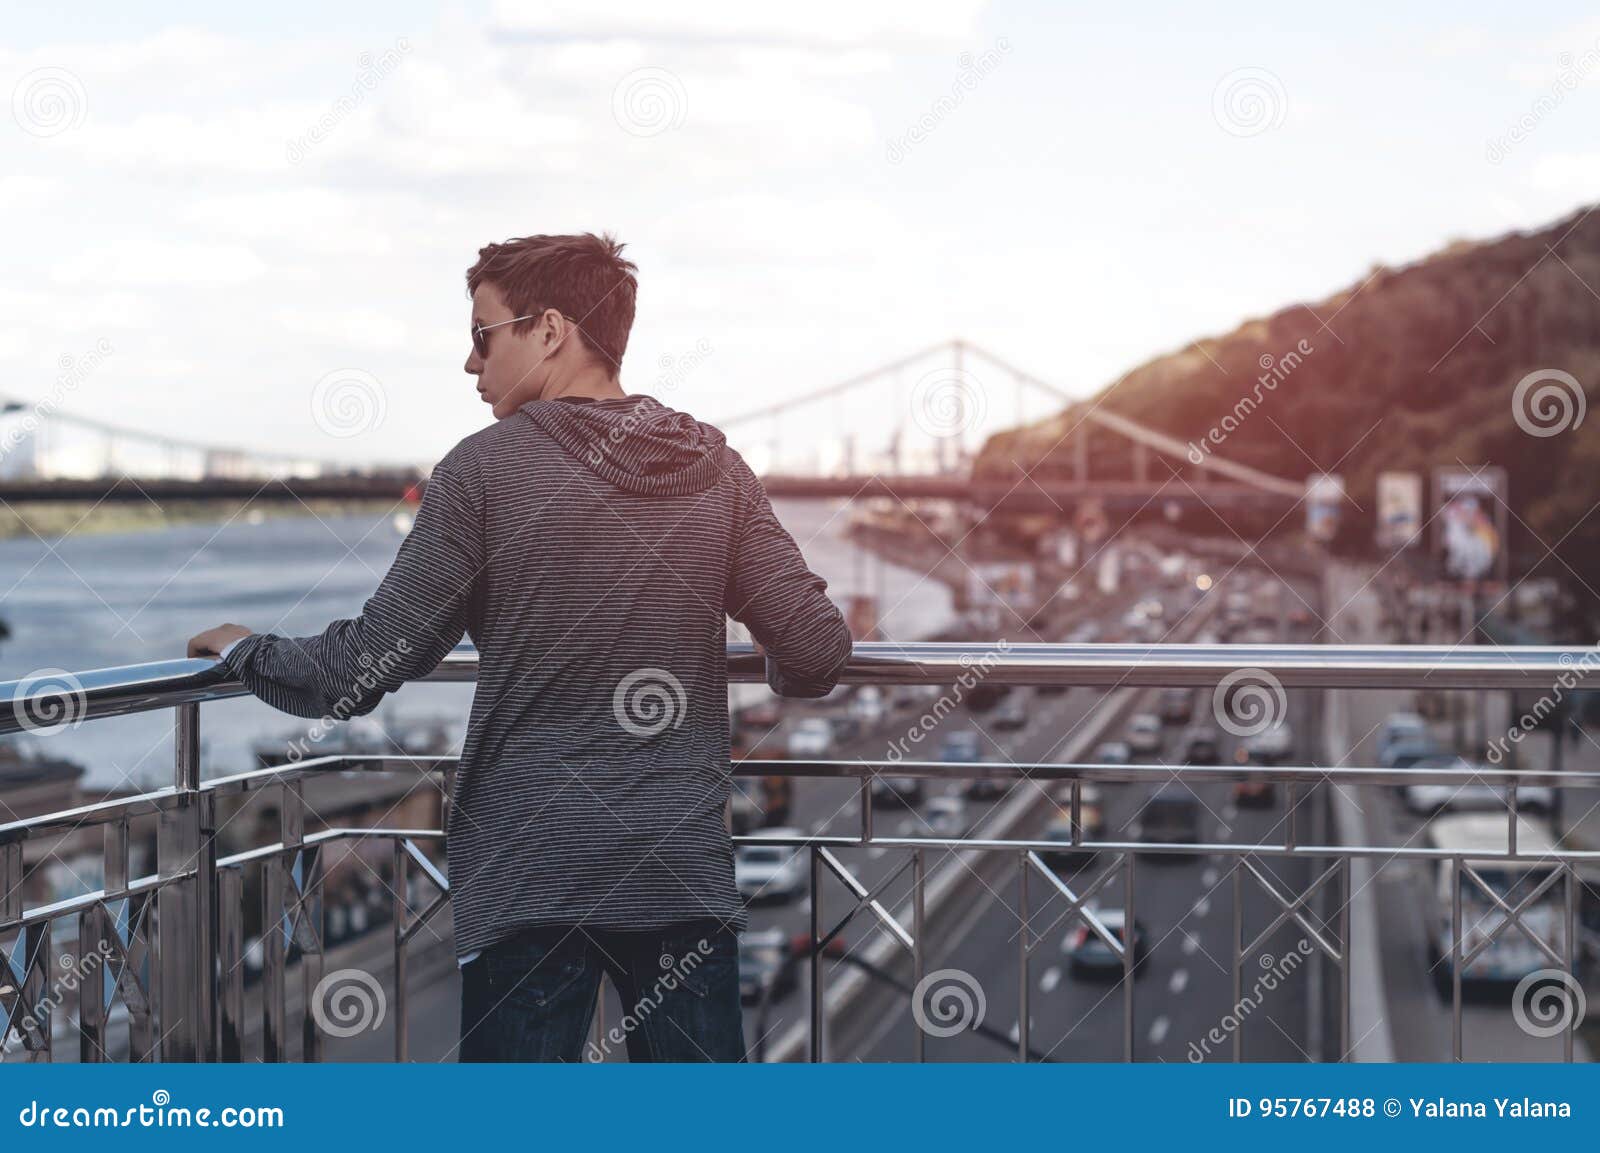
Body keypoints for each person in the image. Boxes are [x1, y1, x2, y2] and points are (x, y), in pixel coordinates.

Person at [187, 232, 854, 1061]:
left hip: (532, 876)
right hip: (677, 869)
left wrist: (244, 647)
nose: (471, 365)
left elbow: (362, 668)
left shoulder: (481, 472)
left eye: (481, 335)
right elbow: (817, 651)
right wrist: (762, 660)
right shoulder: (712, 466)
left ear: (549, 330)